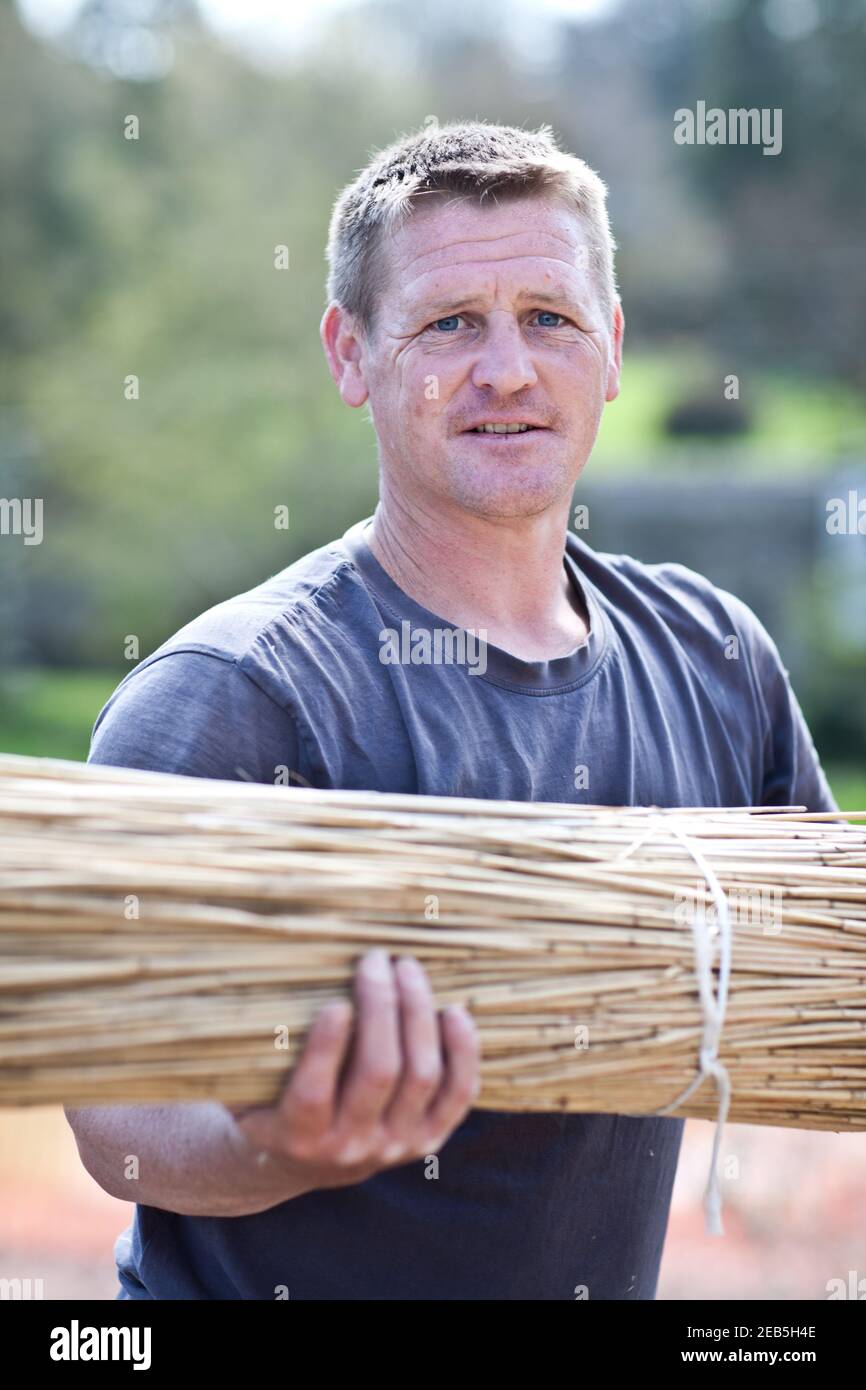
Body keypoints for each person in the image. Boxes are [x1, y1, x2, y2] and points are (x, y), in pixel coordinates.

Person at [65, 120, 837, 1301]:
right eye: (446, 324)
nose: (507, 370)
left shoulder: (716, 658)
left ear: (612, 345)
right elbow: (114, 1118)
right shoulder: (234, 694)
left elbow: (829, 972)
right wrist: (272, 1146)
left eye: (549, 317)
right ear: (349, 351)